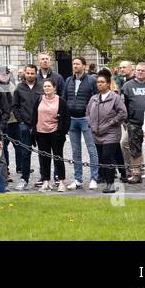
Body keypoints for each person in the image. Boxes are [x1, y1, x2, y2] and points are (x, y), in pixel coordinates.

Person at [86, 68, 127, 194]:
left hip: (111, 133)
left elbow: (122, 113)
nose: (99, 84)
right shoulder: (94, 99)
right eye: (98, 82)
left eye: (102, 82)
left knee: (108, 156)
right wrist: (91, 124)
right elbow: (87, 113)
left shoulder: (115, 97)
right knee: (101, 159)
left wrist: (111, 123)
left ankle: (111, 183)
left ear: (108, 83)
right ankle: (105, 179)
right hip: (96, 133)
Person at [63, 57, 99, 189]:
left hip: (86, 119)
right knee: (75, 151)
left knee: (91, 149)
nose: (75, 66)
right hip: (72, 119)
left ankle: (94, 178)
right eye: (73, 64)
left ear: (84, 66)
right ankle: (78, 179)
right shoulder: (68, 80)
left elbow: (97, 98)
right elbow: (64, 98)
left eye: (77, 64)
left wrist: (92, 116)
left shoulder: (91, 80)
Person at [34, 73, 69, 191]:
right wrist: (34, 131)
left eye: (49, 86)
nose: (46, 88)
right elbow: (34, 115)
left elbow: (66, 119)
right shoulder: (39, 99)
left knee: (58, 157)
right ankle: (45, 181)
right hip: (41, 132)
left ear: (54, 87)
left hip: (55, 132)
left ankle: (61, 181)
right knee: (44, 158)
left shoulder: (61, 101)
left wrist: (61, 132)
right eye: (45, 86)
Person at [120, 63, 145, 184]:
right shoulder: (128, 86)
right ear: (135, 71)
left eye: (143, 71)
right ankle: (136, 174)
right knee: (134, 149)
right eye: (138, 70)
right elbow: (123, 104)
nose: (140, 72)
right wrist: (126, 119)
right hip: (134, 122)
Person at [10, 64, 41, 189]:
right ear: (25, 74)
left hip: (41, 124)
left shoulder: (41, 86)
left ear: (36, 73)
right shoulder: (19, 88)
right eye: (28, 73)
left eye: (32, 73)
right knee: (25, 153)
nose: (30, 75)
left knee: (44, 153)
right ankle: (24, 178)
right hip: (25, 124)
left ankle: (45, 178)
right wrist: (21, 120)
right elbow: (15, 106)